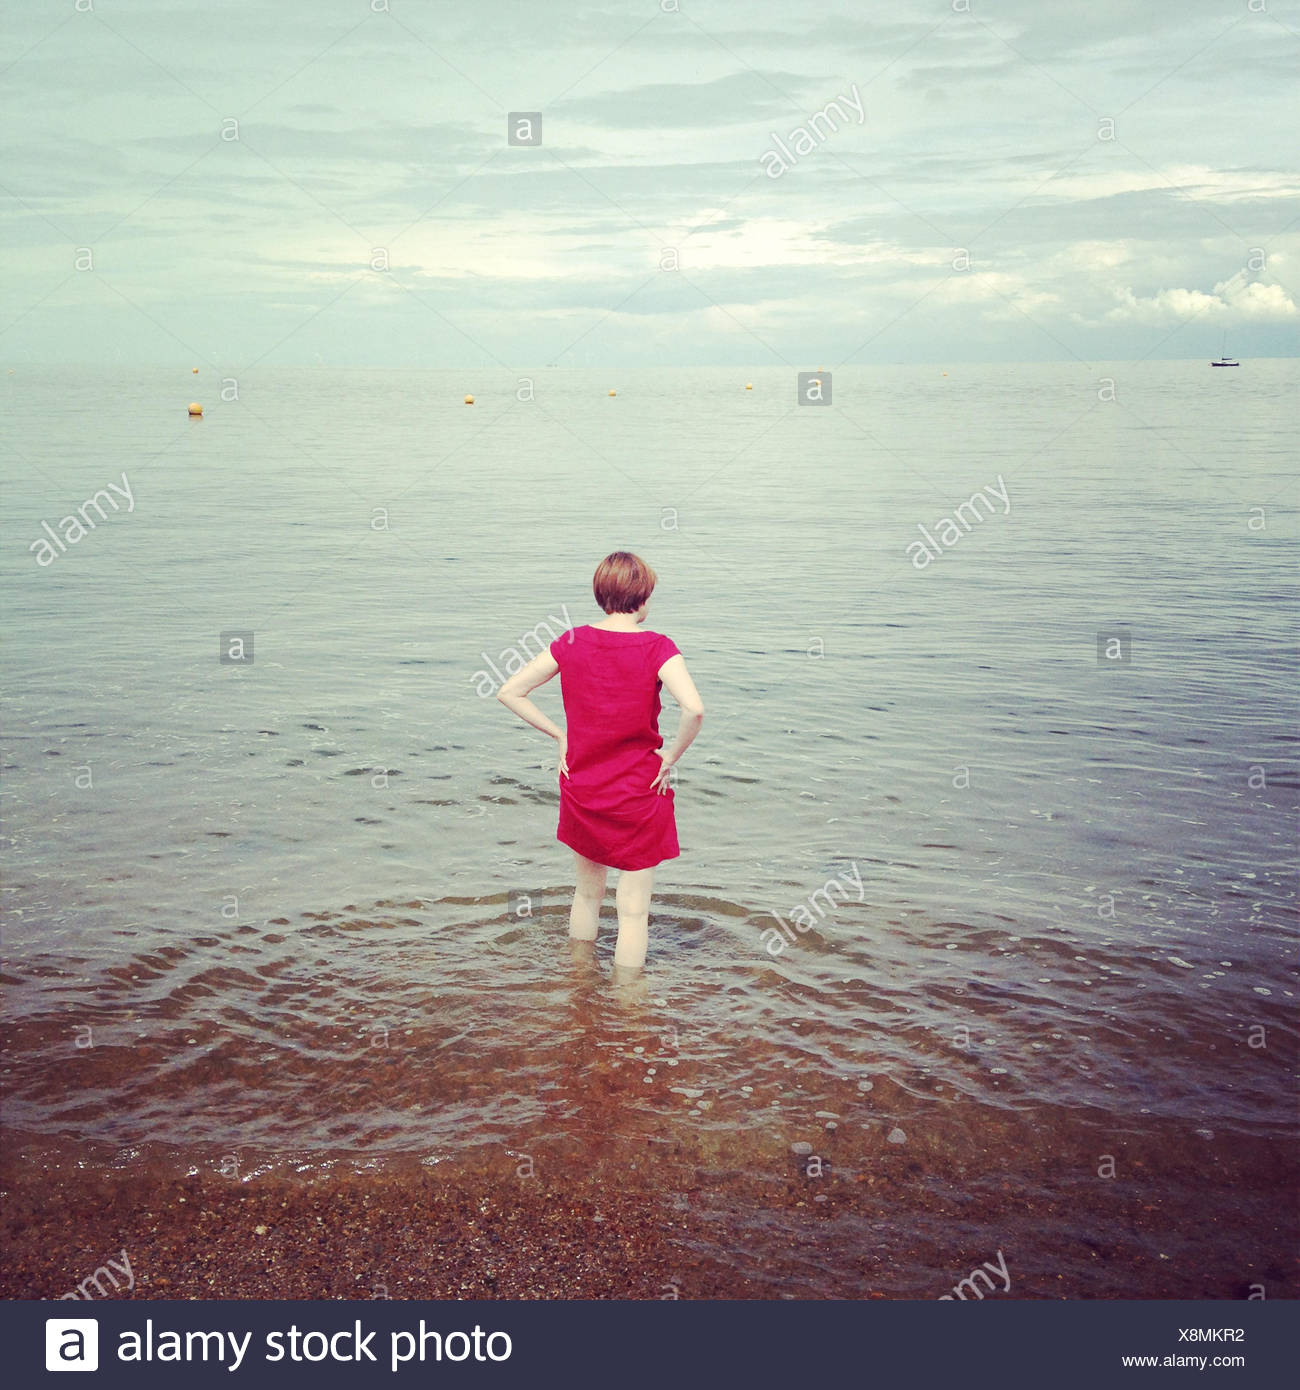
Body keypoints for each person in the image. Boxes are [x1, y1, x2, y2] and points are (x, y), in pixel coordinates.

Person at [496, 552, 704, 971]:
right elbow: (694, 710)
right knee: (632, 912)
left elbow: (510, 691)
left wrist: (560, 735)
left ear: (601, 595)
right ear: (642, 596)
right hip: (638, 790)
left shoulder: (570, 641)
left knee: (586, 894)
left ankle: (578, 985)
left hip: (583, 783)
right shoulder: (658, 647)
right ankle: (628, 1006)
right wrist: (670, 756)